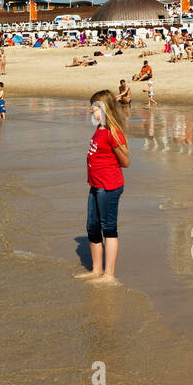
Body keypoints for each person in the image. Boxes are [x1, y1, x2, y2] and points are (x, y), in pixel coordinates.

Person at [75, 89, 129, 284]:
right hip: (96, 185)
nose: (91, 111)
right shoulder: (100, 129)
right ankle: (96, 270)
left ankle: (109, 274)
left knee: (109, 229)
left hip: (109, 186)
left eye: (95, 108)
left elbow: (125, 162)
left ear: (104, 109)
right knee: (92, 227)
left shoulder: (113, 133)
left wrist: (116, 147)